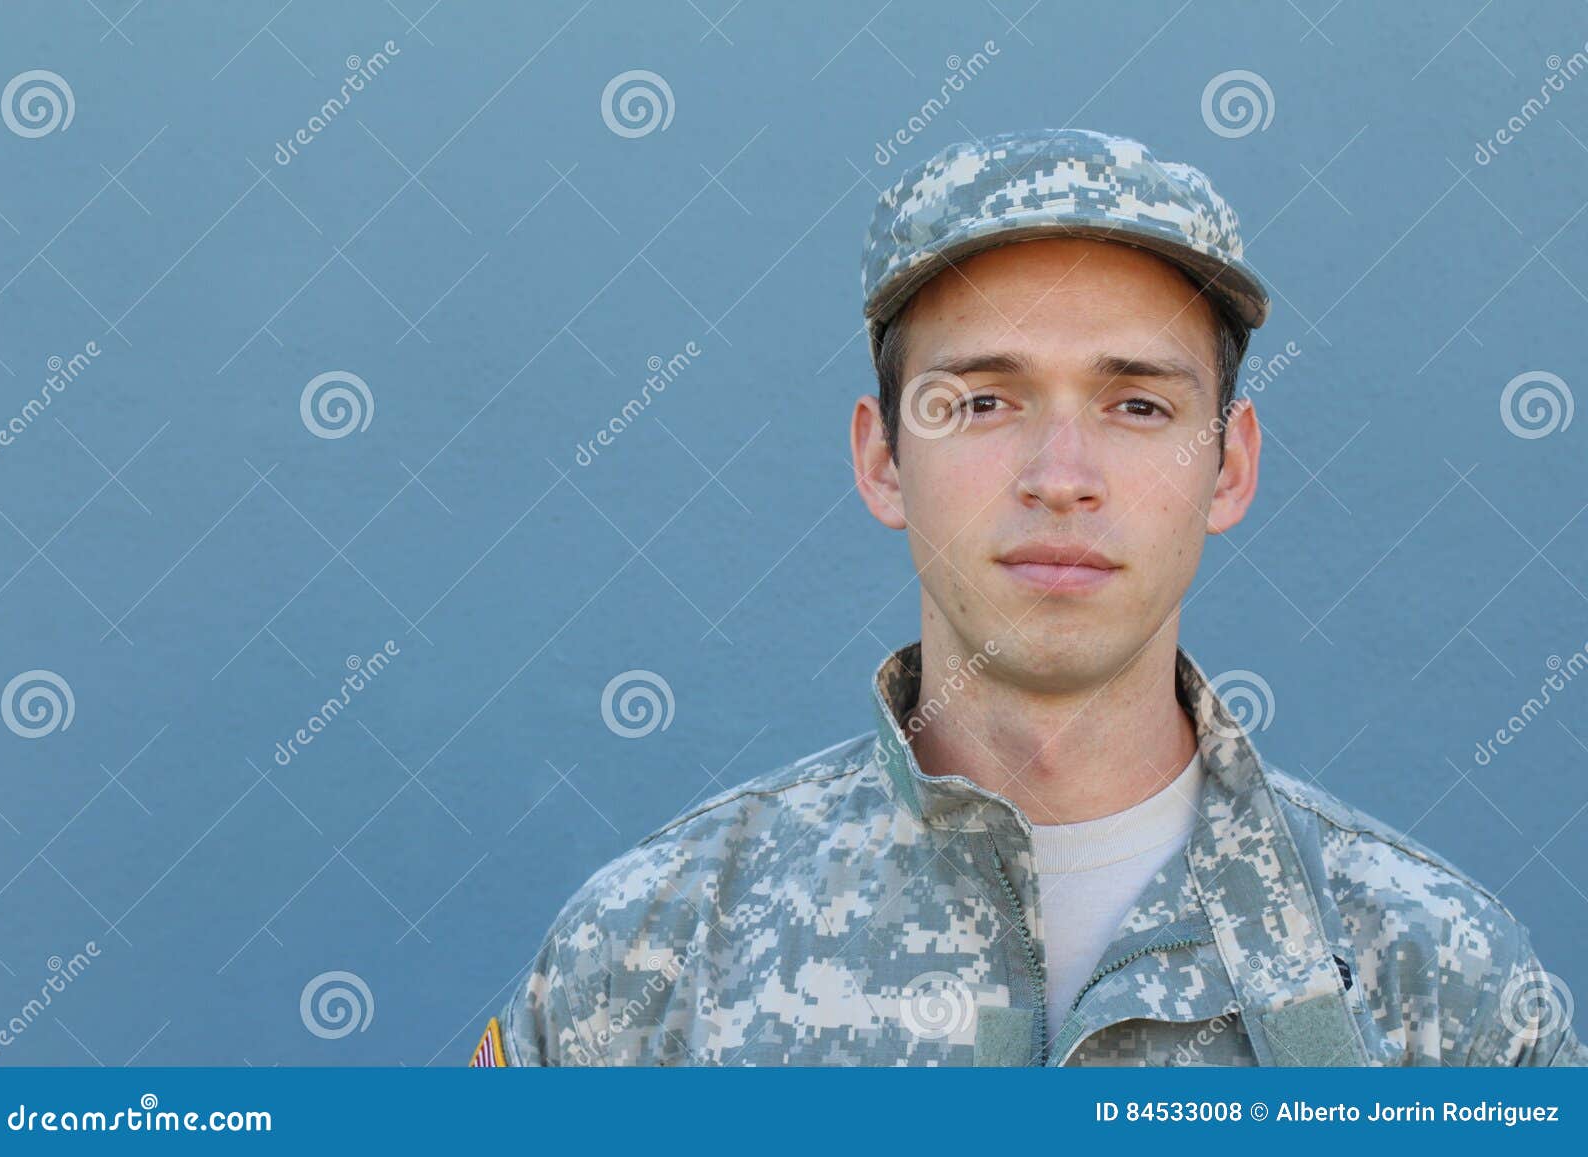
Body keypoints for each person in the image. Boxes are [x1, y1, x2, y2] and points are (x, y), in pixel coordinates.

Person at [470, 128, 1585, 1066]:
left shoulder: (1445, 990)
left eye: (1138, 405)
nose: (1061, 474)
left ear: (1229, 467)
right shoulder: (648, 963)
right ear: (882, 460)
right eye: (984, 400)